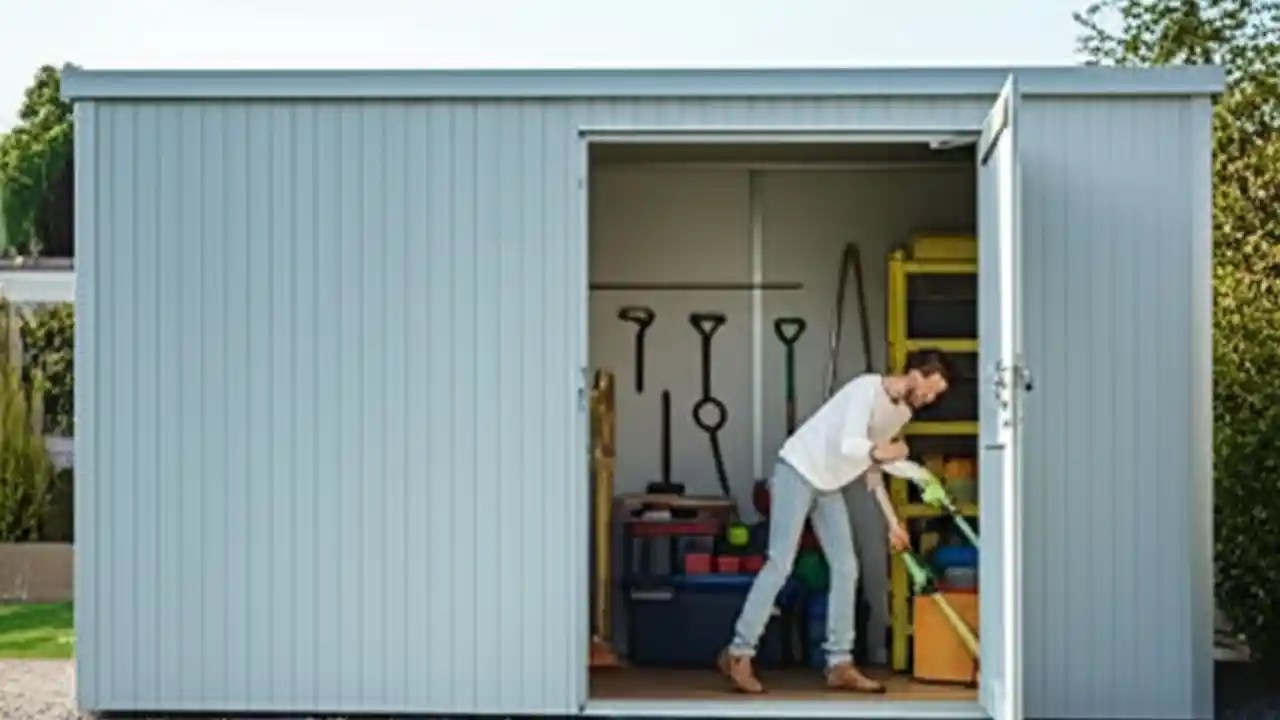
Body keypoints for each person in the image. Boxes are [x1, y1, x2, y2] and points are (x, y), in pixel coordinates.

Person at [717, 350, 954, 693]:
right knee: (780, 562)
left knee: (846, 567)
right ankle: (739, 653)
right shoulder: (866, 388)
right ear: (916, 373)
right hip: (797, 470)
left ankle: (839, 663)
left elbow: (872, 471)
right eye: (930, 389)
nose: (930, 399)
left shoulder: (901, 413)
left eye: (936, 395)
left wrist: (893, 523)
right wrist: (884, 452)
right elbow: (851, 446)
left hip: (828, 485)